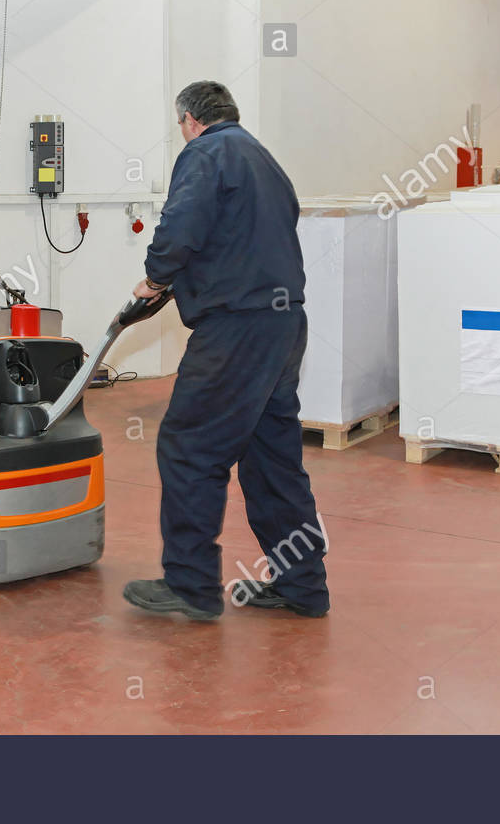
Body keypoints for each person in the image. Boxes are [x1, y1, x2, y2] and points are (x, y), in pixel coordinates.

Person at [122, 81, 330, 622]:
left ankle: (190, 585)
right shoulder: (263, 158)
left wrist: (155, 277)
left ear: (189, 119)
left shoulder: (205, 152)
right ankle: (304, 585)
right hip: (283, 326)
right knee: (272, 460)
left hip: (236, 330)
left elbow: (183, 224)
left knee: (190, 446)